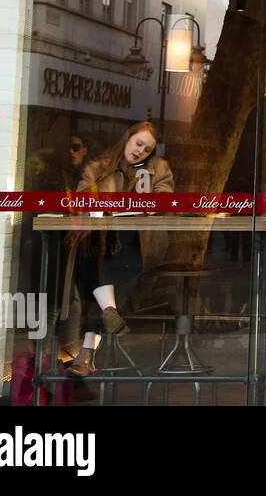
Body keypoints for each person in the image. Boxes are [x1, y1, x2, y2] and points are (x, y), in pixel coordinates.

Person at [64, 121, 175, 377]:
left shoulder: (158, 168)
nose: (140, 152)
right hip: (99, 243)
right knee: (96, 263)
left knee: (97, 270)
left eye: (147, 150)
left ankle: (101, 323)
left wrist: (146, 204)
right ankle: (98, 333)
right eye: (138, 144)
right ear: (128, 138)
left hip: (135, 246)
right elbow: (80, 197)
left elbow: (165, 196)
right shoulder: (100, 167)